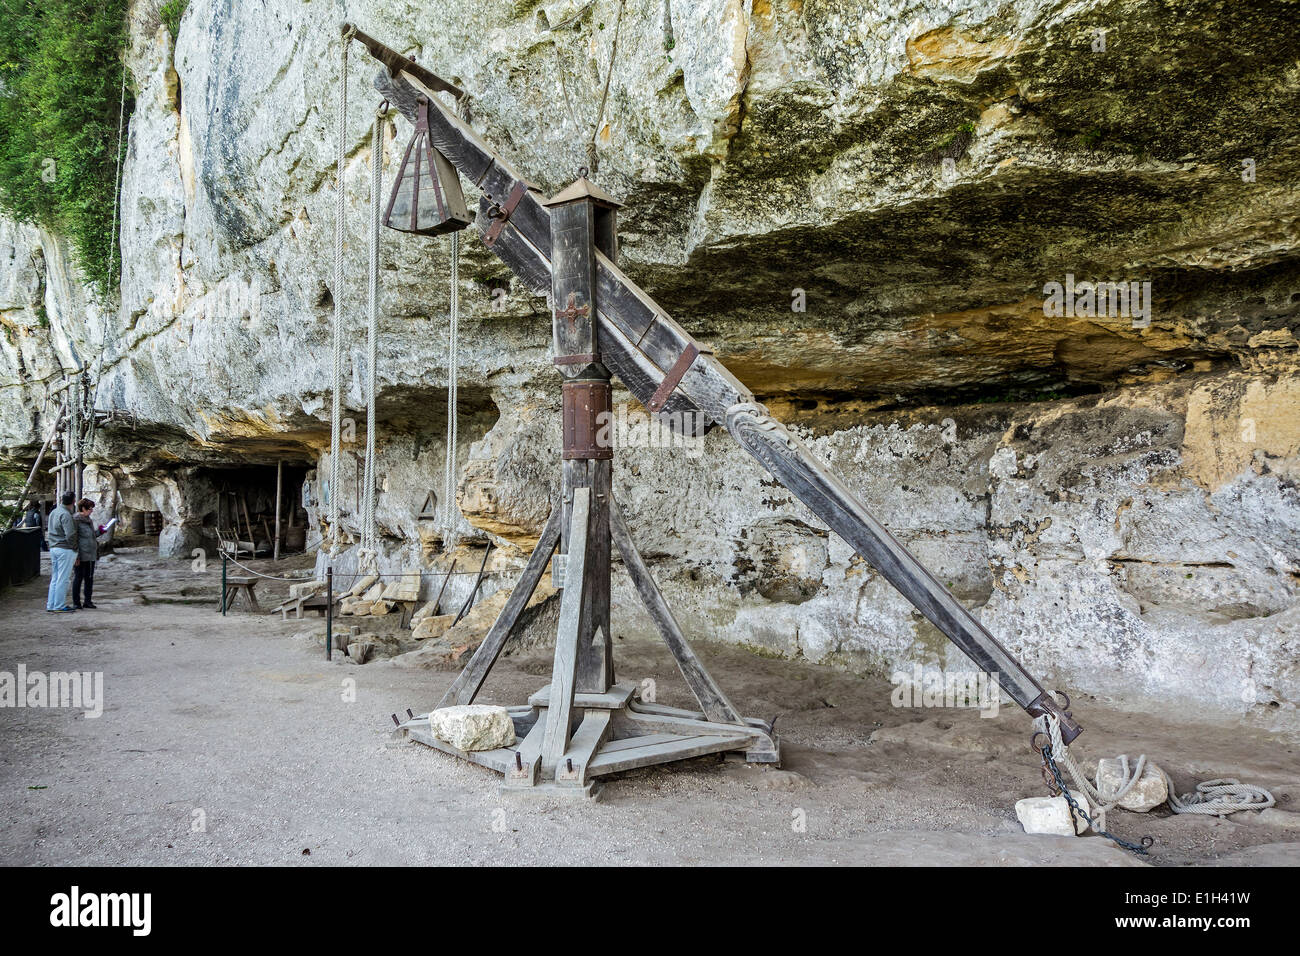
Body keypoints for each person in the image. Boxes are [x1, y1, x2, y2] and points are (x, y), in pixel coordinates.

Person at [46, 492, 77, 612]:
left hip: (54, 546)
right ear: (73, 501)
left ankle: (51, 604)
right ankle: (59, 605)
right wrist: (75, 547)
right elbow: (70, 534)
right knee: (63, 578)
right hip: (65, 548)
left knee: (55, 577)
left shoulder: (54, 512)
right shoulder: (66, 515)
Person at [73, 498, 104, 609]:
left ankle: (88, 601)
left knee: (89, 578)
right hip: (81, 554)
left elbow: (91, 535)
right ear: (83, 508)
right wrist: (76, 555)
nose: (91, 511)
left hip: (91, 554)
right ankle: (76, 602)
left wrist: (100, 531)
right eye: (90, 509)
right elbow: (74, 538)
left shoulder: (88, 520)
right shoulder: (76, 520)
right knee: (78, 578)